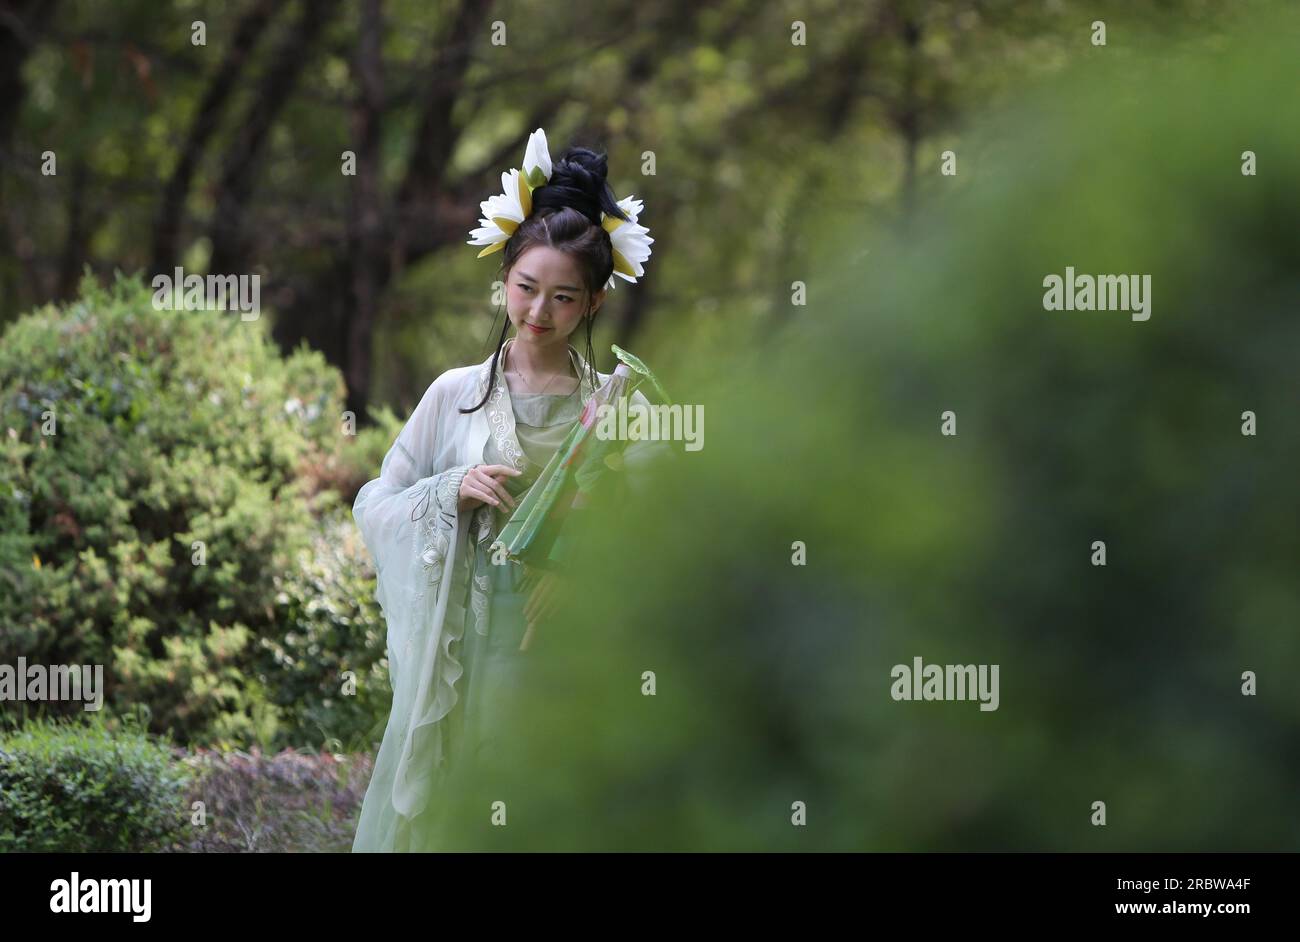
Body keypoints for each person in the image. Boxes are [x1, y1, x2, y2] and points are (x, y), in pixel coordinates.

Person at [351, 130, 658, 852]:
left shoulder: (619, 408)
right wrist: (450, 489)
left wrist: (585, 563)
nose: (538, 313)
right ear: (504, 278)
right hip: (473, 638)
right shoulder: (455, 395)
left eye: (563, 296)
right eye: (526, 288)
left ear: (593, 303)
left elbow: (661, 532)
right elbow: (376, 503)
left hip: (573, 646)